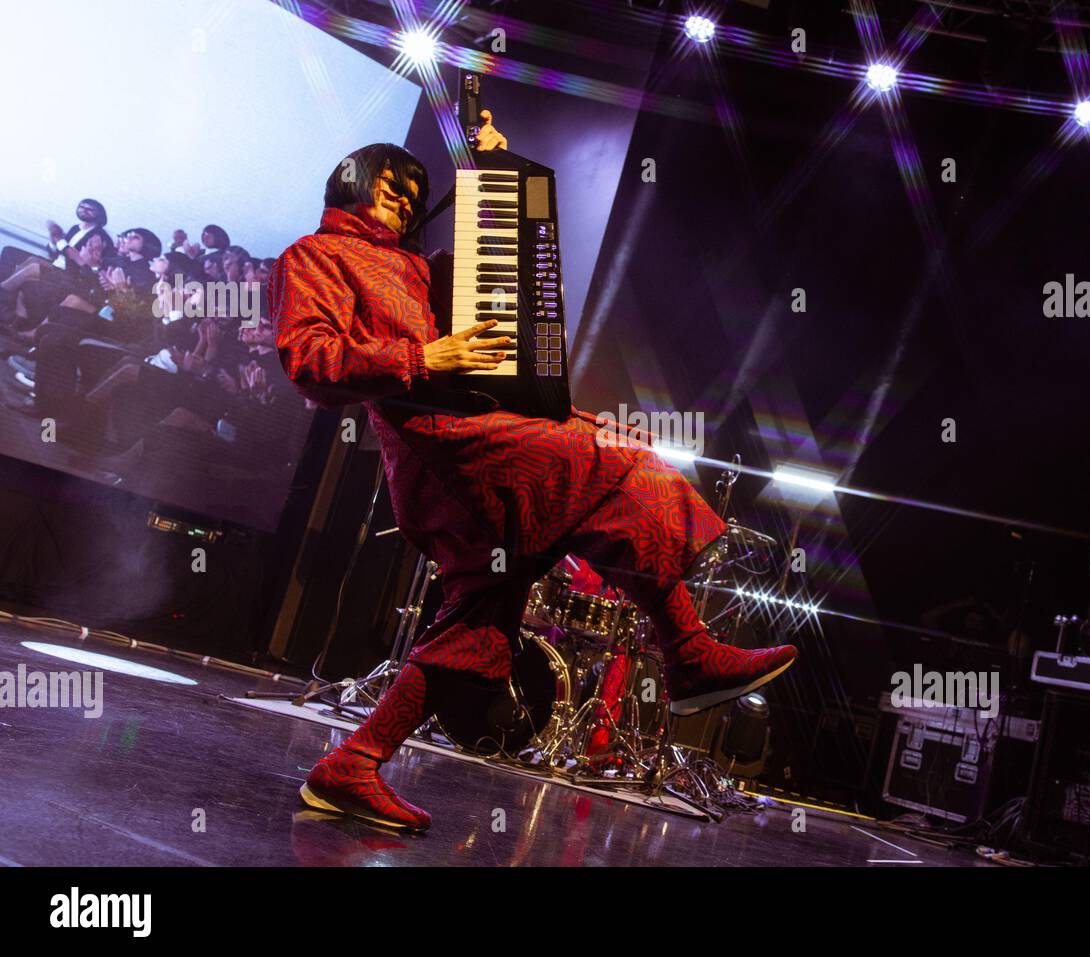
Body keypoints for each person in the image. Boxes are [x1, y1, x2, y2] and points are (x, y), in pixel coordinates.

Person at [270, 120, 797, 831]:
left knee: (477, 619)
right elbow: (308, 360)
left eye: (412, 192)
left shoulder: (416, 268)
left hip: (469, 445)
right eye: (387, 184)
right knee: (618, 457)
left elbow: (506, 264)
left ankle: (350, 765)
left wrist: (496, 168)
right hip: (441, 449)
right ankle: (692, 654)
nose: (401, 196)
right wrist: (426, 360)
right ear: (347, 183)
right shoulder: (315, 255)